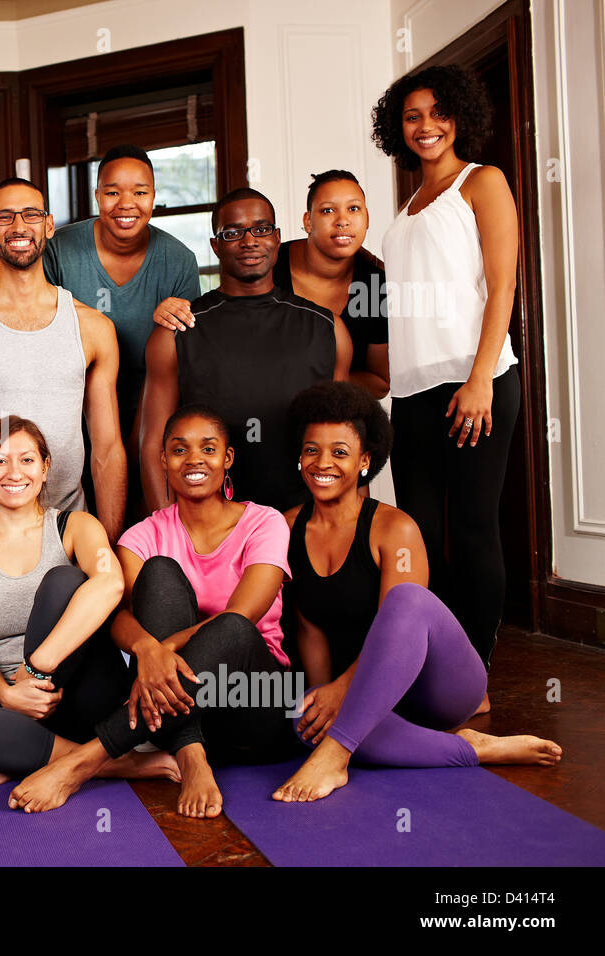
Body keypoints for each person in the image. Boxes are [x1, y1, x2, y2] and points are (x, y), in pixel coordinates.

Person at [1, 405, 299, 816]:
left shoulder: (265, 523)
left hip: (253, 705)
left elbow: (243, 617)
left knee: (231, 628)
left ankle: (86, 760)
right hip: (176, 718)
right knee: (158, 573)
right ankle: (191, 753)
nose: (194, 459)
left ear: (227, 458)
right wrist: (144, 648)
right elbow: (117, 613)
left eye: (208, 448)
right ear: (163, 460)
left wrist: (163, 652)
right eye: (179, 450)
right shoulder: (144, 534)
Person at [270, 382, 560, 802]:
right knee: (306, 714)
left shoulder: (394, 528)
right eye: (312, 450)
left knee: (406, 600)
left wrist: (342, 698)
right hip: (372, 693)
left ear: (365, 460)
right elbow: (308, 627)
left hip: (438, 686)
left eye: (339, 452)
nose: (323, 463)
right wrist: (326, 698)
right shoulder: (288, 526)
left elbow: (406, 626)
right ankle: (474, 748)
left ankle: (336, 755)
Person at [0, 417, 179, 790]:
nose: (14, 472)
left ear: (45, 469)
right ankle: (109, 762)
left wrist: (37, 666)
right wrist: (9, 695)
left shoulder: (77, 526)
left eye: (26, 460)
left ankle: (12, 756)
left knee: (65, 581)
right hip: (10, 707)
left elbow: (110, 583)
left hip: (78, 695)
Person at [0, 177, 126, 625]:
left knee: (69, 683)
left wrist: (107, 554)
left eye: (31, 214)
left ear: (49, 226)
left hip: (67, 539)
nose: (19, 225)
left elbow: (108, 452)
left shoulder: (93, 328)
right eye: (5, 216)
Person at [372, 65, 521, 669]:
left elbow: (501, 284)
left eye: (438, 113)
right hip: (413, 392)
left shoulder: (480, 181)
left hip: (475, 379)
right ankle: (429, 664)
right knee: (421, 535)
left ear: (460, 116)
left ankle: (475, 671)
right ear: (397, 127)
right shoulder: (407, 205)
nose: (426, 125)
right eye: (412, 116)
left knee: (474, 530)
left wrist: (481, 376)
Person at [0, 144, 200, 523]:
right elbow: (22, 294)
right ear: (96, 196)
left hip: (145, 409)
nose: (126, 203)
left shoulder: (178, 259)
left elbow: (184, 352)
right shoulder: (61, 247)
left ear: (154, 196)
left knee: (138, 517)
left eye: (140, 192)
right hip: (69, 410)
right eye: (112, 192)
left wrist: (169, 317)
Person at [139, 187, 350, 514]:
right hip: (210, 525)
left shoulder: (327, 328)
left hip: (306, 519)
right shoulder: (178, 332)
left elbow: (347, 439)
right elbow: (154, 444)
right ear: (215, 245)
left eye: (261, 229)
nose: (249, 240)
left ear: (277, 238)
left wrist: (351, 525)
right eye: (233, 232)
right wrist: (167, 534)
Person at [272, 170, 390, 398]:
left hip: (337, 415)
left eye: (353, 208)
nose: (343, 221)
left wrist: (317, 381)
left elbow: (380, 382)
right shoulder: (270, 266)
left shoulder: (376, 286)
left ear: (367, 218)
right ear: (308, 221)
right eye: (328, 210)